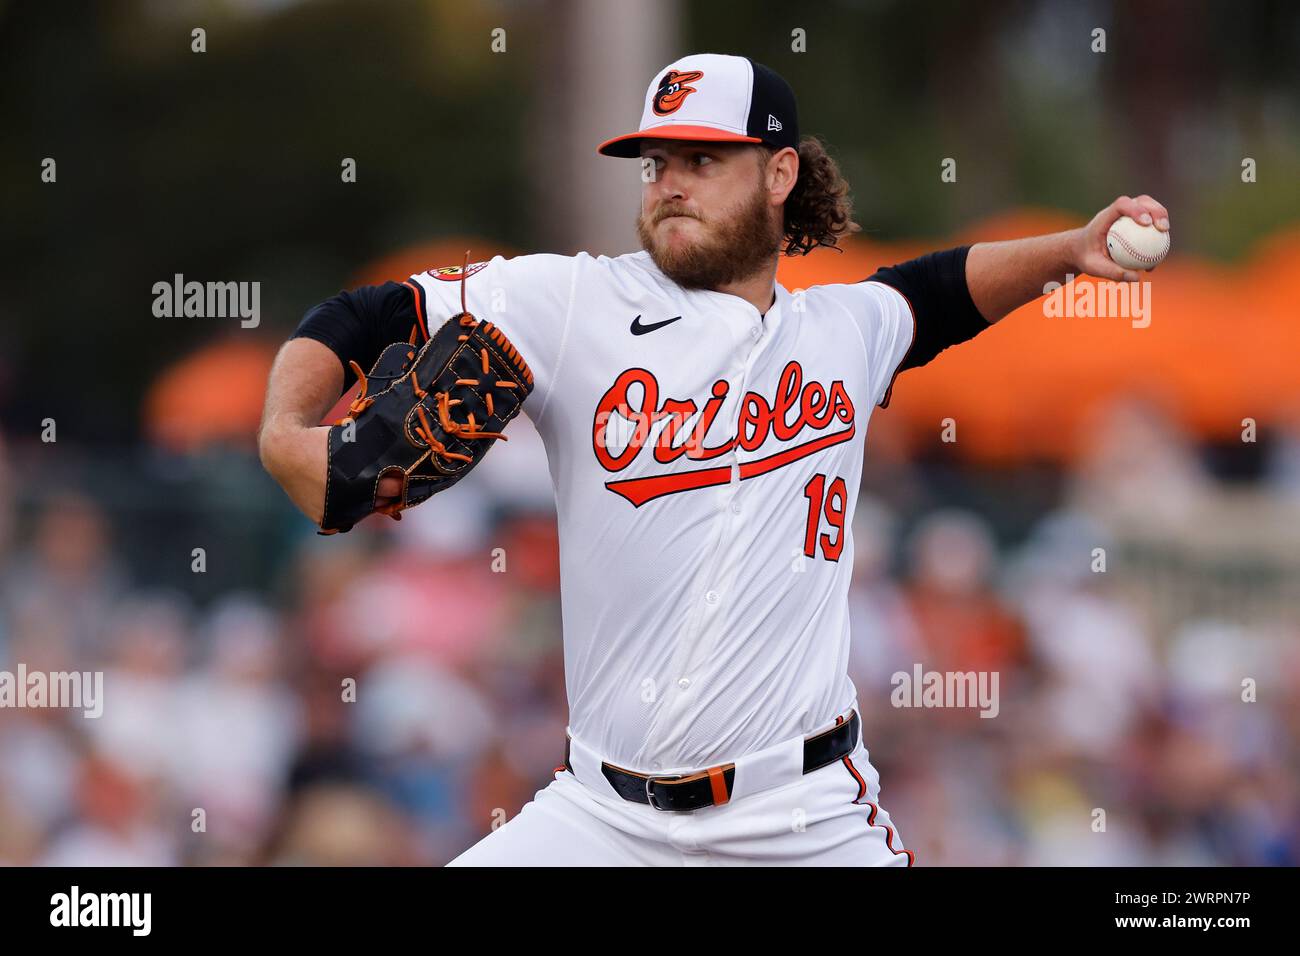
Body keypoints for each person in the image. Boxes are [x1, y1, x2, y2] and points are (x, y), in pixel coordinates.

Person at [258, 53, 1169, 865]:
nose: (670, 184)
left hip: (803, 814)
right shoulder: (570, 300)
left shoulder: (844, 331)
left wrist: (1074, 251)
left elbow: (939, 291)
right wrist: (285, 430)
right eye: (657, 164)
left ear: (779, 173)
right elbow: (360, 316)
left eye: (701, 160)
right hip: (601, 819)